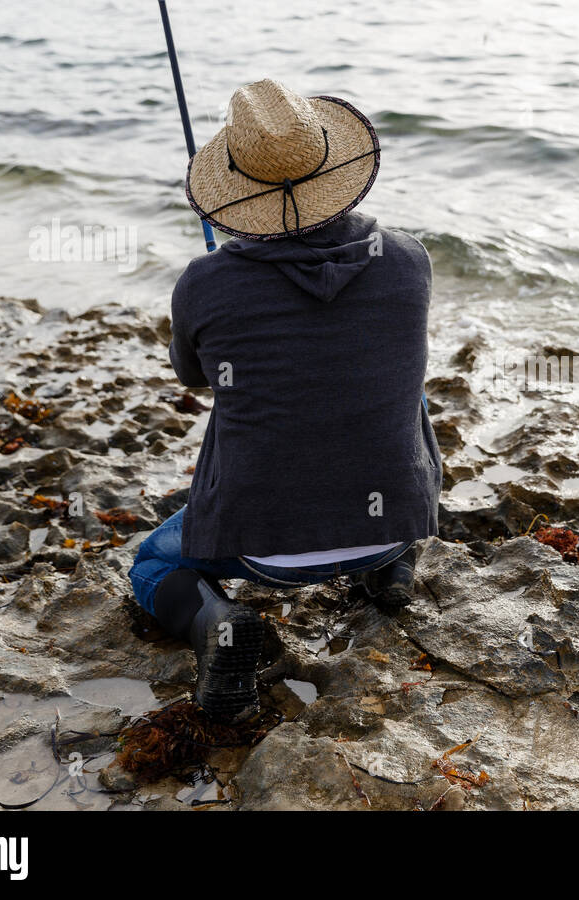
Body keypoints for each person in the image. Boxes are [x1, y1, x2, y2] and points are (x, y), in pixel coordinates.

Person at [129, 78, 441, 723]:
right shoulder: (410, 259)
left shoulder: (206, 280)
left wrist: (223, 284)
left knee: (153, 566)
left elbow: (194, 377)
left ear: (237, 189)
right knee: (393, 389)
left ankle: (218, 624)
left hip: (261, 550)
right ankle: (388, 568)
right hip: (390, 525)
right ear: (337, 167)